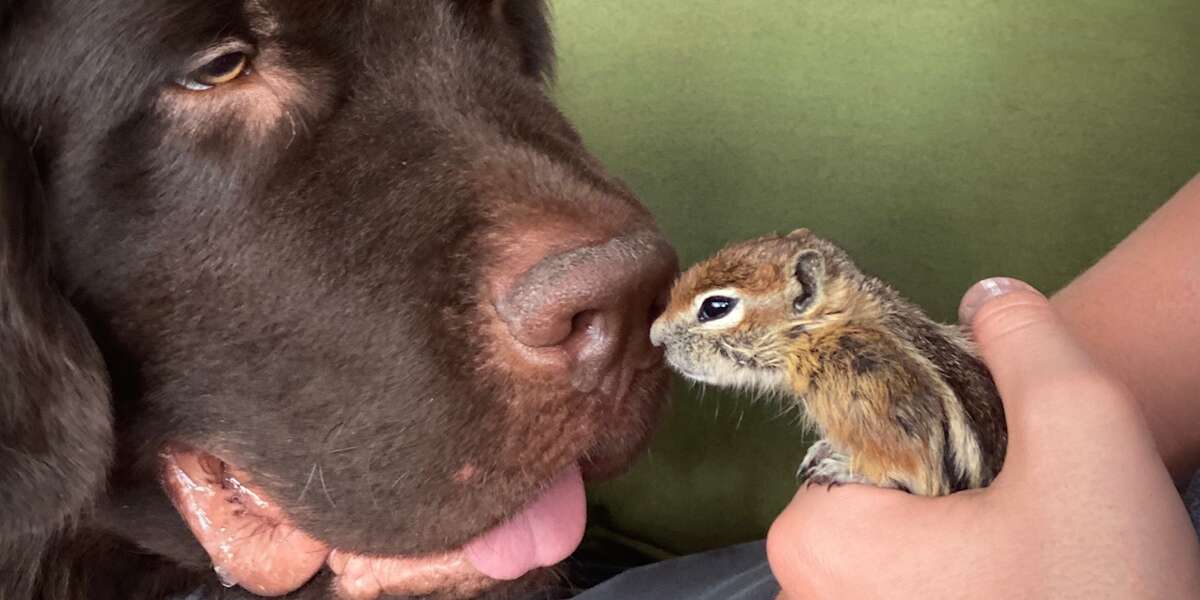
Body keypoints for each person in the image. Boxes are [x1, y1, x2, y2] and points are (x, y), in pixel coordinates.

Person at [577, 175, 1200, 600]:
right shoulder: (877, 342)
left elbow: (905, 453)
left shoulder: (849, 362)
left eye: (716, 310)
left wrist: (861, 466)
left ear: (806, 293)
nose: (662, 335)